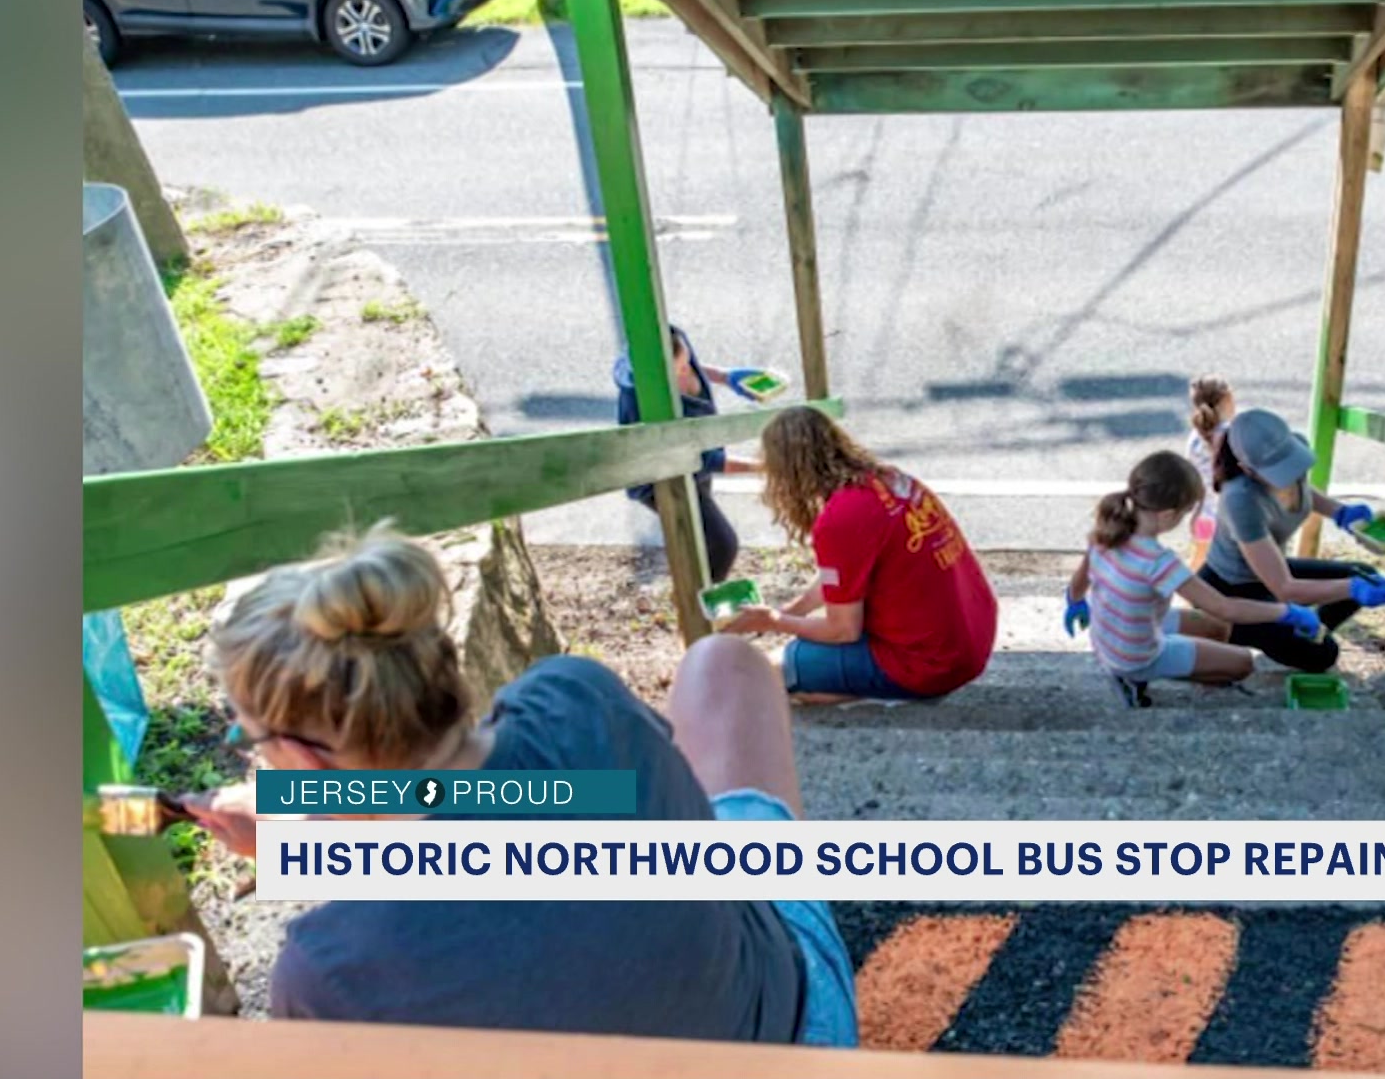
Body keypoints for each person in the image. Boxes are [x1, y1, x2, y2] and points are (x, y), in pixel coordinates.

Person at [180, 524, 857, 1047]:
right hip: (800, 1031)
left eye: (253, 741)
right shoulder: (577, 703)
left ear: (300, 755)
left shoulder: (328, 971)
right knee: (722, 667)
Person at [721, 408, 998, 704]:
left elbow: (842, 630)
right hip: (973, 635)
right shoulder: (888, 479)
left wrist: (773, 621)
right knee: (801, 648)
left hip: (933, 663)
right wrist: (792, 611)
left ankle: (886, 694)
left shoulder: (839, 520)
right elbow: (843, 575)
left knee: (771, 672)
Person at [1062, 451, 1320, 708]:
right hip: (1136, 657)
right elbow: (1225, 606)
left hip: (1111, 637)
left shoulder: (1105, 533)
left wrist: (1075, 603)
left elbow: (1078, 584)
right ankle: (1136, 680)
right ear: (1167, 515)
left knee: (1217, 627)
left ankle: (1191, 667)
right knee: (1244, 663)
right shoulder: (1159, 563)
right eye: (1186, 512)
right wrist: (1287, 613)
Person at [1196, 407, 1385, 672]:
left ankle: (1309, 631)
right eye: (1278, 472)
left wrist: (1341, 513)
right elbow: (1285, 588)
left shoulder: (1294, 448)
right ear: (1247, 470)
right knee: (1323, 656)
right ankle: (1221, 632)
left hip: (1269, 573)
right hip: (1231, 592)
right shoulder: (1240, 500)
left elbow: (1301, 489)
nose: (1290, 475)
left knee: (1364, 574)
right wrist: (1352, 588)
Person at [615, 324, 771, 582]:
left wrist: (725, 376)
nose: (688, 370)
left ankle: (695, 586)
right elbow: (702, 459)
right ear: (657, 382)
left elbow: (690, 363)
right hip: (663, 478)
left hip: (696, 462)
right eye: (680, 371)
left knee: (700, 539)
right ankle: (700, 607)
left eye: (686, 360)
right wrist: (762, 467)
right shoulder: (645, 407)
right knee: (722, 544)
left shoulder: (668, 338)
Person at [1182, 374, 1238, 569]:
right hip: (1228, 516)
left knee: (1199, 560)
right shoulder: (1231, 433)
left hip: (1203, 515)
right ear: (1226, 400)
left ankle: (1187, 595)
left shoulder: (1196, 437)